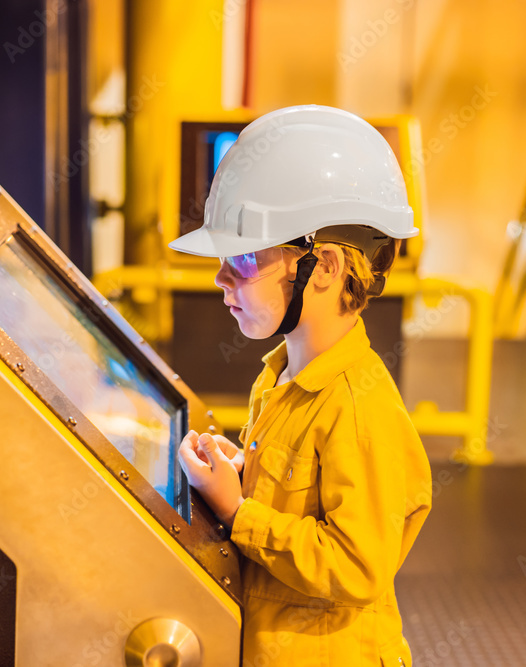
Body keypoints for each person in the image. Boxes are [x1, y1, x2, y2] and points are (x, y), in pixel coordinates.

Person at [171, 105, 432, 666]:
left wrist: (241, 513)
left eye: (241, 257)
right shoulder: (281, 377)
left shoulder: (360, 411)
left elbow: (358, 566)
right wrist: (243, 472)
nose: (221, 278)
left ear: (327, 266)